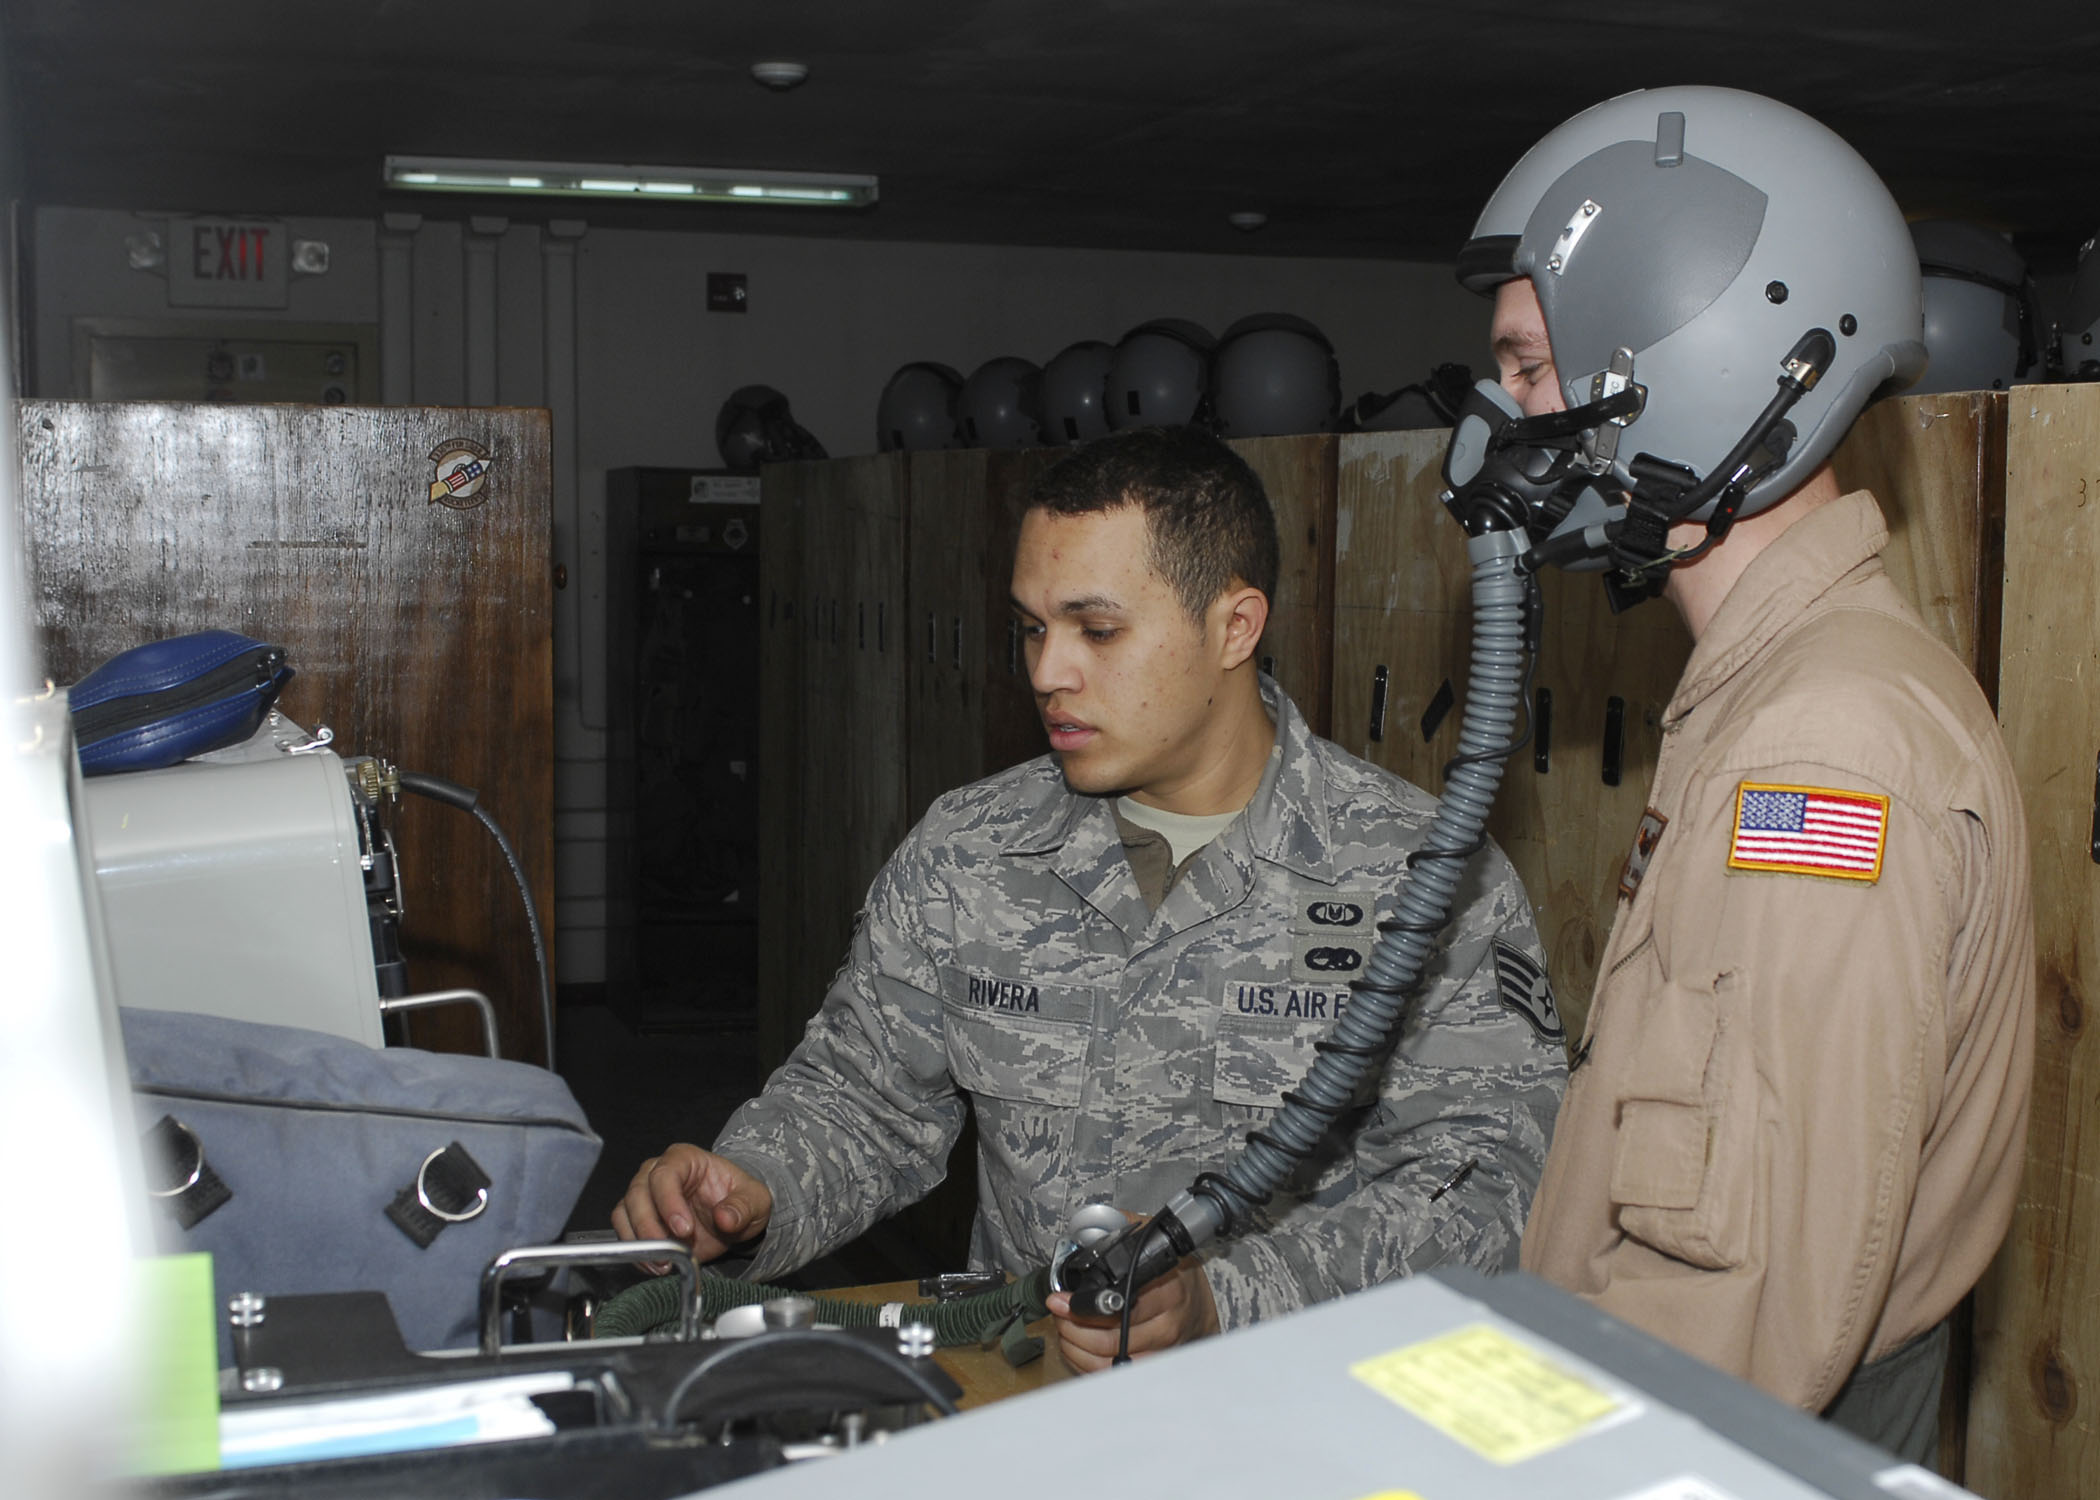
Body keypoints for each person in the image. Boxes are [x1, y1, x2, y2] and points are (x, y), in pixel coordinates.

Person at [615, 425, 1567, 1372]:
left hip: (1309, 1407)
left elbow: (1486, 1188)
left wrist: (1224, 1303)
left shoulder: (1422, 876)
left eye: (1097, 630)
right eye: (1032, 626)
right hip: (1034, 1398)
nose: (1046, 672)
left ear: (1235, 626)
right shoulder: (973, 850)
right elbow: (863, 1098)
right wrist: (750, 1190)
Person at [1455, 85, 2035, 1461]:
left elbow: (1748, 1298)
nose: (1503, 420)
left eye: (1533, 367)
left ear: (1705, 355)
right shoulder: (1780, 689)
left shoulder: (1822, 746)